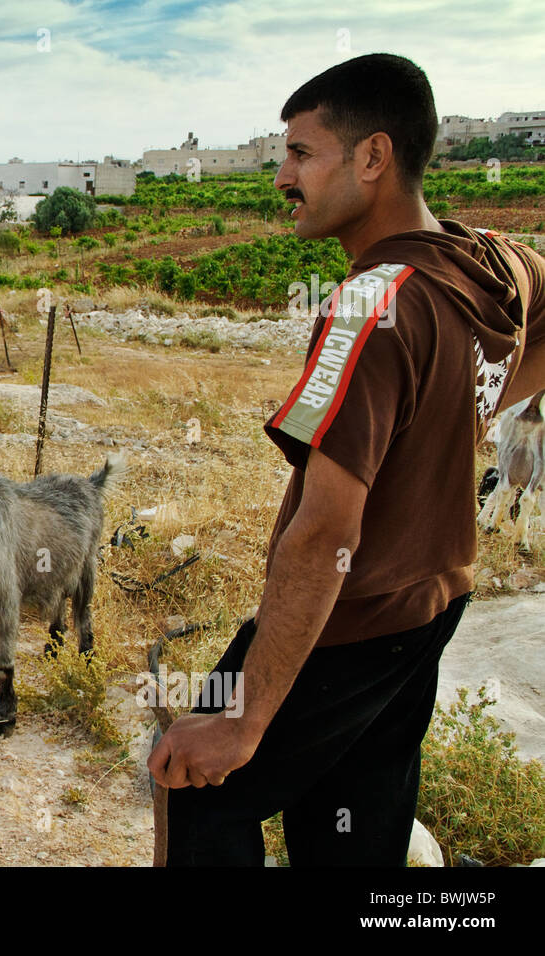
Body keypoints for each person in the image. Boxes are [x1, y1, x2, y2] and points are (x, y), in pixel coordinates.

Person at [146, 52, 545, 866]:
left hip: (347, 626)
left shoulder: (370, 304)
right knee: (355, 837)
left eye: (300, 153)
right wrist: (466, 408)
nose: (283, 176)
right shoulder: (487, 257)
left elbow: (325, 531)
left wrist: (243, 718)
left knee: (187, 777)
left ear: (373, 158)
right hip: (431, 614)